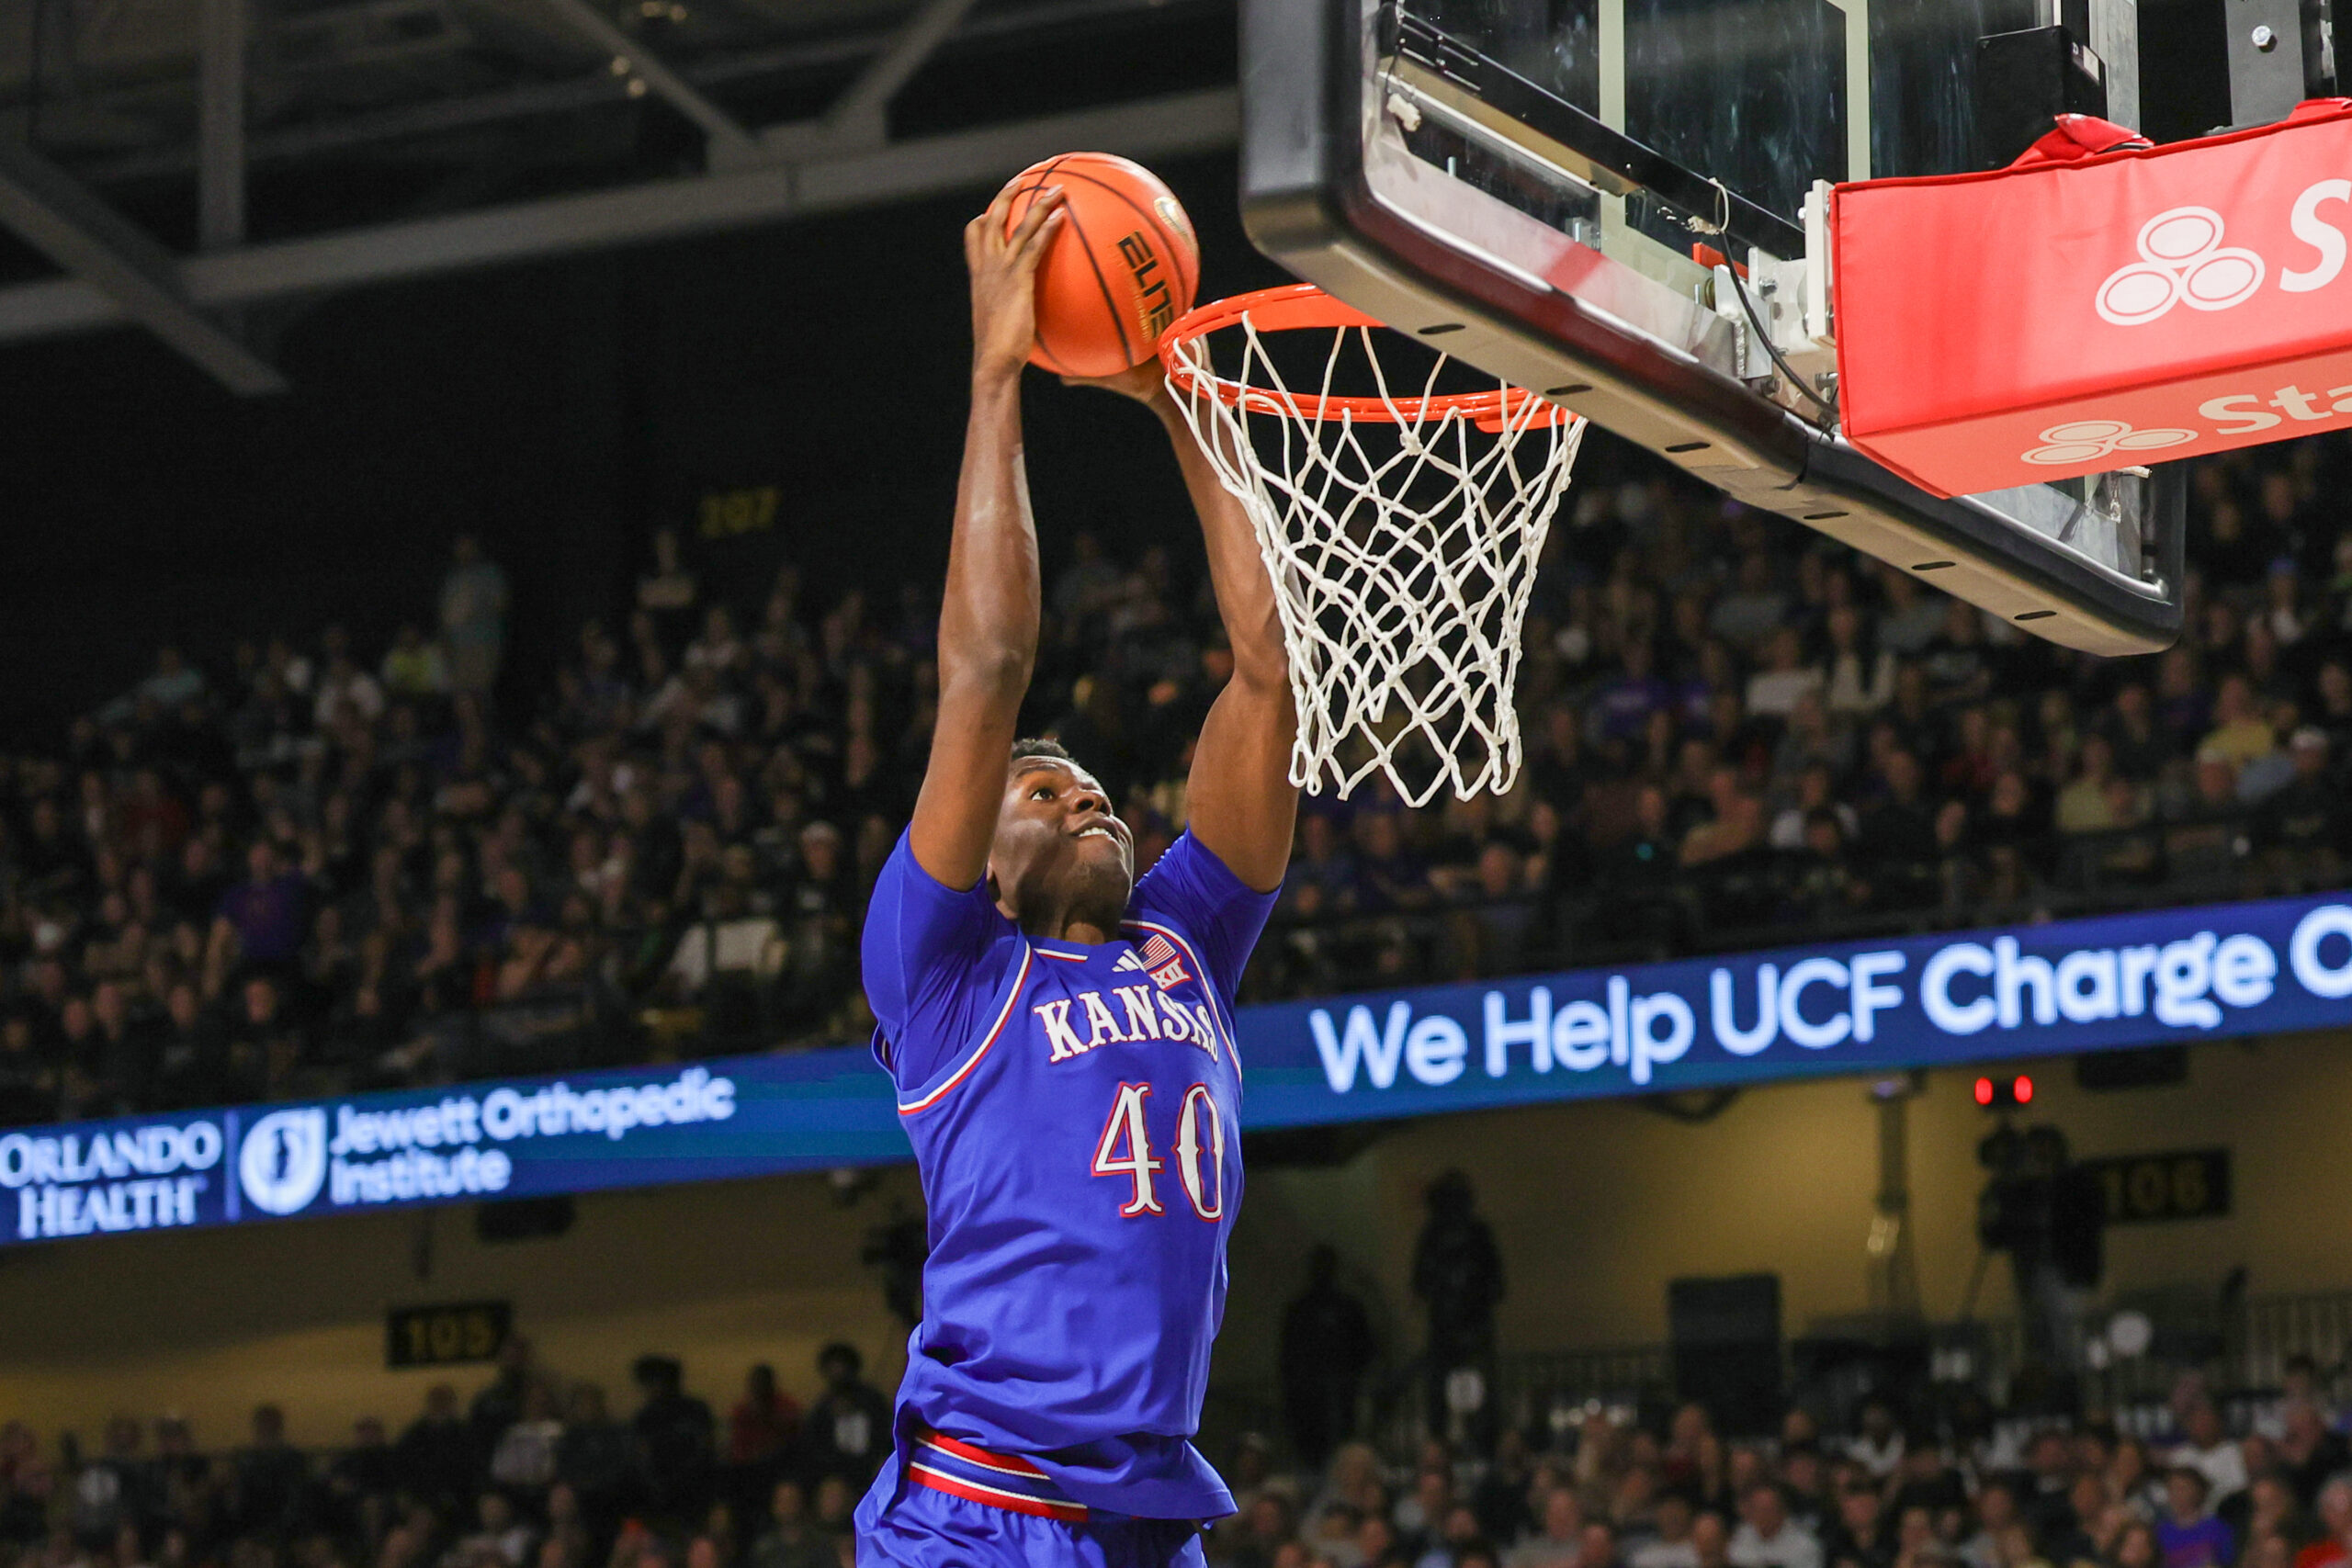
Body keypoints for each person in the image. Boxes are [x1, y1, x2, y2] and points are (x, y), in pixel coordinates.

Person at [850, 183, 1298, 1568]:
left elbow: (1272, 669)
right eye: (1040, 791)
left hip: (1147, 1518)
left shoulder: (1184, 936)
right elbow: (987, 668)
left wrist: (1177, 401)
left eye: (1093, 784)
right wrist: (997, 373)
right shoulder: (943, 972)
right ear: (976, 854)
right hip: (979, 1509)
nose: (1086, 794)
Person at [1280, 1246, 1378, 1472]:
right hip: (1307, 1393)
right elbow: (1289, 1354)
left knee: (1341, 1439)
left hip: (1341, 1389)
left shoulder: (1348, 1308)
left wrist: (1352, 1376)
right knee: (1311, 1443)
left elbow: (1363, 1347)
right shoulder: (1300, 1310)